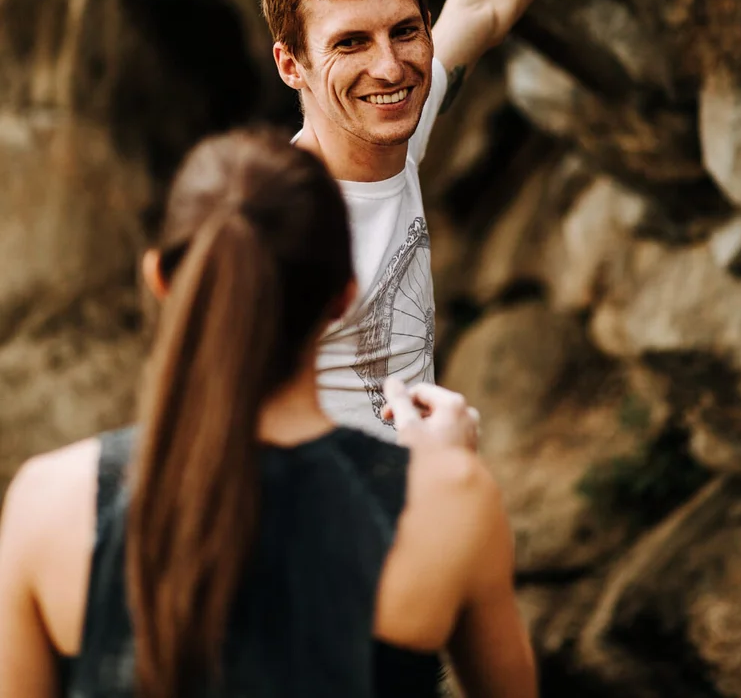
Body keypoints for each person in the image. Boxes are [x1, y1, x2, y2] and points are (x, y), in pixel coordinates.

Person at [0, 128, 535, 698]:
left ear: (159, 279)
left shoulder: (48, 503)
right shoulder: (450, 504)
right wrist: (437, 475)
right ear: (343, 297)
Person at [261, 0, 674, 436]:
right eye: (349, 44)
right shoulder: (280, 225)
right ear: (291, 65)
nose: (390, 67)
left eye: (405, 30)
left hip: (418, 513)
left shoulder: (395, 127)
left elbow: (485, 1)